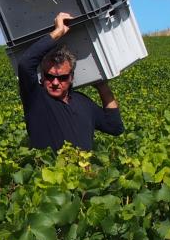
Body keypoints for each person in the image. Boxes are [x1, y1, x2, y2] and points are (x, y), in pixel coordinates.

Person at [17, 12, 123, 152]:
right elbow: (25, 64)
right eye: (49, 76)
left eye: (62, 78)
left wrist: (102, 86)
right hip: (50, 166)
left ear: (71, 77)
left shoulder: (83, 102)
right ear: (42, 76)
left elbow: (115, 127)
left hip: (82, 167)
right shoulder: (36, 98)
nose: (55, 82)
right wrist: (58, 32)